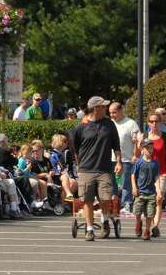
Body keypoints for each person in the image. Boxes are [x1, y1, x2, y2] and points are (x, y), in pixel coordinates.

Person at [69, 96, 122, 242]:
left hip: (105, 168)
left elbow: (116, 145)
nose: (106, 108)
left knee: (105, 198)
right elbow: (74, 147)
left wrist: (118, 162)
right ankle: (90, 229)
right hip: (86, 169)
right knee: (87, 200)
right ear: (95, 108)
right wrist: (79, 164)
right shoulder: (81, 127)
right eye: (103, 106)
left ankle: (105, 221)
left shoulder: (109, 124)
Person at [108, 101, 140, 213]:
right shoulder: (109, 123)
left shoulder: (131, 123)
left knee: (126, 183)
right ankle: (114, 205)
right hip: (110, 158)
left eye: (114, 112)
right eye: (110, 113)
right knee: (112, 184)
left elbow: (137, 140)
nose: (112, 115)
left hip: (126, 159)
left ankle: (127, 204)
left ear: (121, 111)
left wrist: (135, 155)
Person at [131, 141, 159, 241]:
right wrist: (134, 187)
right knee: (137, 212)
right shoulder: (139, 162)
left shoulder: (155, 163)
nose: (150, 150)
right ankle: (138, 222)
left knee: (150, 214)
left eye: (151, 148)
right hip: (140, 192)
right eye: (147, 148)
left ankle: (147, 230)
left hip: (151, 193)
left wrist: (158, 191)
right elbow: (133, 175)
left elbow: (156, 178)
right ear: (142, 150)